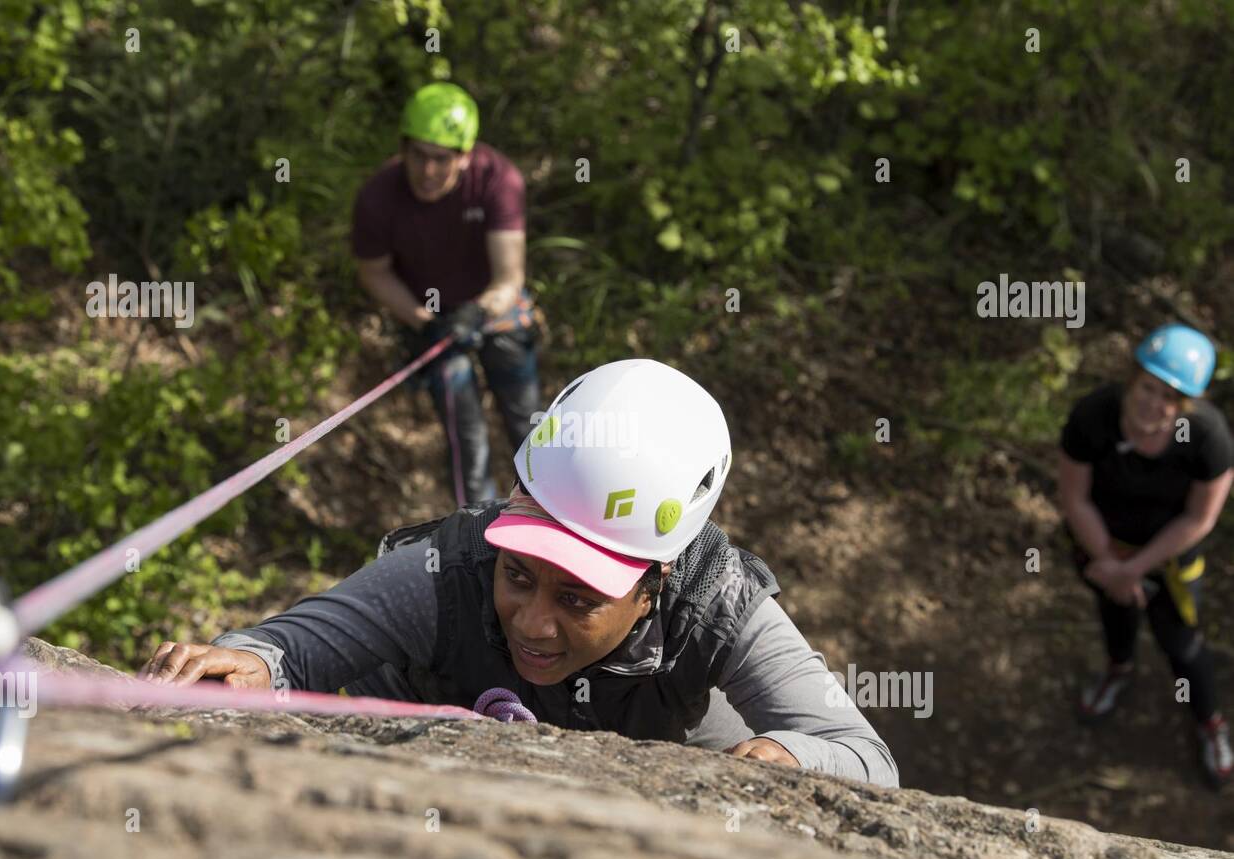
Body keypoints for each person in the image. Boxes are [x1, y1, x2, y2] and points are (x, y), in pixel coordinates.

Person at [139, 359, 899, 787]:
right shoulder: (452, 567)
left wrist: (788, 756)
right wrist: (249, 663)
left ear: (653, 584)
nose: (534, 623)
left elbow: (864, 757)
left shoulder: (712, 602)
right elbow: (297, 646)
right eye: (520, 576)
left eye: (579, 596)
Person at [351, 81, 544, 507]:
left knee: (527, 420)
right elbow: (375, 272)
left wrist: (476, 313)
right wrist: (423, 320)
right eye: (417, 155)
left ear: (465, 155)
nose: (427, 171)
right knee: (465, 434)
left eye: (441, 159)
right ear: (403, 148)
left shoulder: (498, 181)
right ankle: (480, 530)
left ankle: (547, 511)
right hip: (429, 316)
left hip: (493, 306)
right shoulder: (378, 197)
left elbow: (509, 278)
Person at [1058, 323, 1233, 788]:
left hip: (1167, 558)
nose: (1153, 405)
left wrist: (1131, 569)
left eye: (1169, 398)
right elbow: (1075, 498)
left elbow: (1199, 517)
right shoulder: (1093, 417)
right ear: (1132, 380)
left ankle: (1210, 722)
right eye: (1147, 388)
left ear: (1184, 405)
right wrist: (1111, 566)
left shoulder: (1206, 437)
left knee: (1181, 642)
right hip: (1101, 546)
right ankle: (1118, 671)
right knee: (1114, 612)